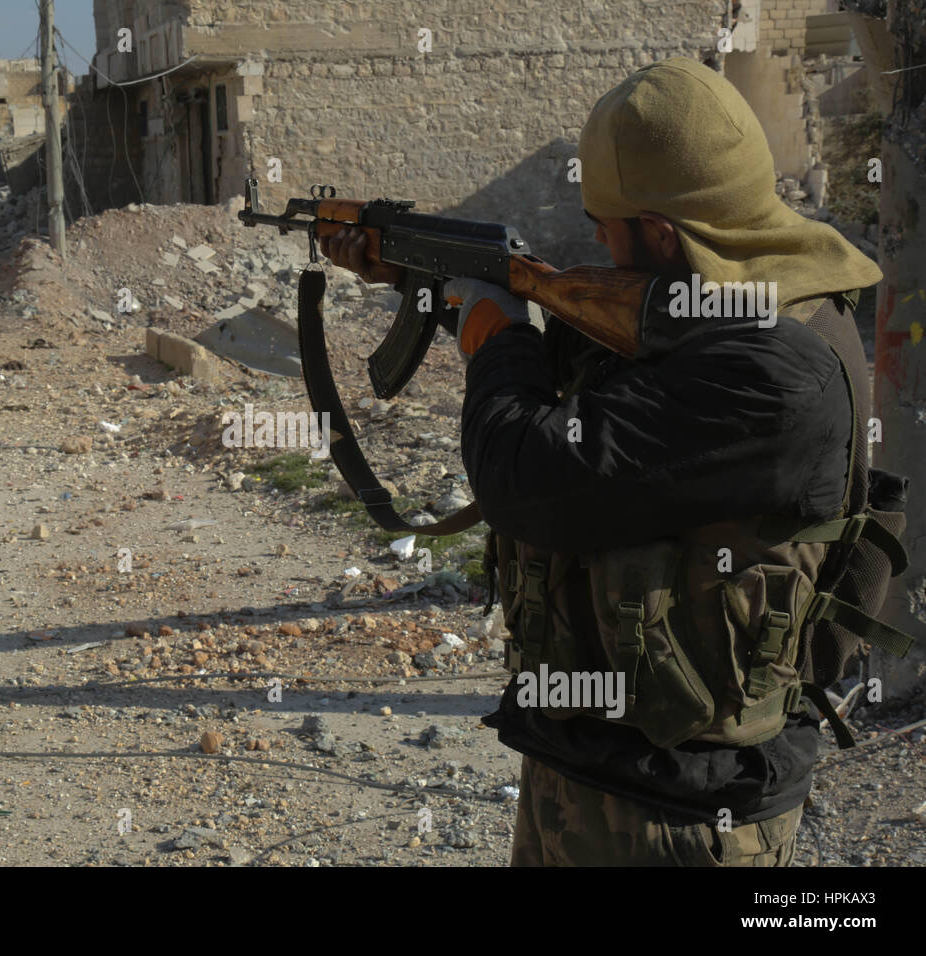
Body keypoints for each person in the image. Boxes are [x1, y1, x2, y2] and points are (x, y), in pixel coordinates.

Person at [320, 57, 885, 866]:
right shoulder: (694, 305)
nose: (594, 241)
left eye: (607, 223)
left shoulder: (779, 369)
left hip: (686, 810)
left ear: (662, 232)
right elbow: (587, 389)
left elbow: (525, 474)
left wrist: (497, 330)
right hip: (585, 763)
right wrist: (426, 280)